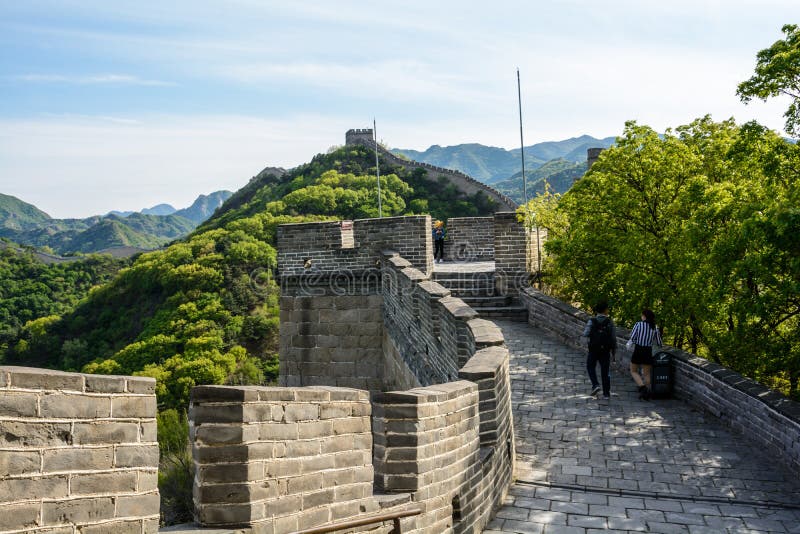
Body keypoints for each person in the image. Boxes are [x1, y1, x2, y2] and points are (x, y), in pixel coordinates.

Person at [582, 300, 616, 399]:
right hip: (605, 350)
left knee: (590, 366)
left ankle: (595, 385)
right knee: (605, 371)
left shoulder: (592, 321)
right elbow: (613, 338)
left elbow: (585, 333)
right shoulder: (610, 322)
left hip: (593, 349)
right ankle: (606, 394)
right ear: (605, 310)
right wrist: (613, 351)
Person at [626, 309, 663, 400]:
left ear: (644, 316)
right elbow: (659, 342)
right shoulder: (655, 327)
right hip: (648, 351)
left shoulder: (638, 324)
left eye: (642, 315)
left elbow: (633, 337)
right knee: (646, 374)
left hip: (638, 350)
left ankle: (642, 388)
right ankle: (647, 391)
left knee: (633, 371)